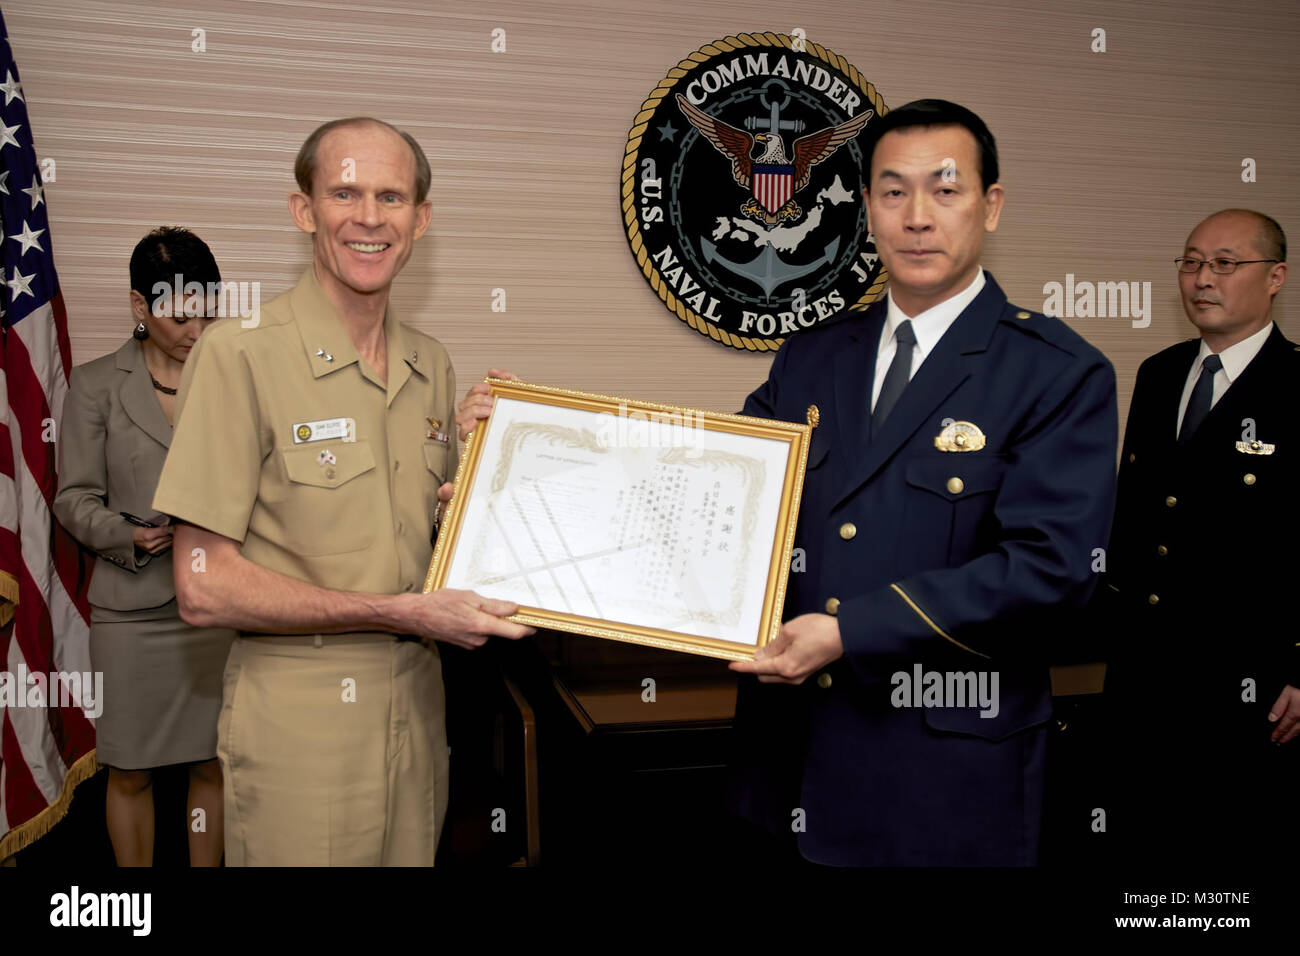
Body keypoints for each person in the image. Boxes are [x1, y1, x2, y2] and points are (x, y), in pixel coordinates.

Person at [725, 99, 1118, 865]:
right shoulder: (811, 356)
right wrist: (523, 474)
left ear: (990, 205)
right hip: (792, 761)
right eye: (893, 191)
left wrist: (851, 633)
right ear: (866, 207)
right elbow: (728, 494)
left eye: (945, 190)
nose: (916, 217)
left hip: (944, 779)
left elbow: (1052, 569)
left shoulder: (1055, 372)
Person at [150, 117, 532, 866]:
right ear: (304, 210)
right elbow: (201, 588)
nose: (369, 217)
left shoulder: (430, 363)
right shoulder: (241, 352)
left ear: (420, 219)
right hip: (300, 717)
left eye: (391, 196)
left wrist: (492, 469)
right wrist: (395, 611)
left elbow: (417, 539)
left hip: (421, 708)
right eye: (345, 193)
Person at [1101, 208, 1298, 864]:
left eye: (1224, 263)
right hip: (1143, 679)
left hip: (1248, 688)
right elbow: (1137, 519)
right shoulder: (1159, 373)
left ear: (1276, 278)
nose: (1201, 279)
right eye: (1190, 262)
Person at [54, 226, 235, 866]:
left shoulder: (233, 378)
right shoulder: (96, 384)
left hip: (217, 606)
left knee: (213, 760)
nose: (195, 330)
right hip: (130, 611)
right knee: (129, 769)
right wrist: (131, 535)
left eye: (206, 311)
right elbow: (73, 498)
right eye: (179, 315)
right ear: (139, 307)